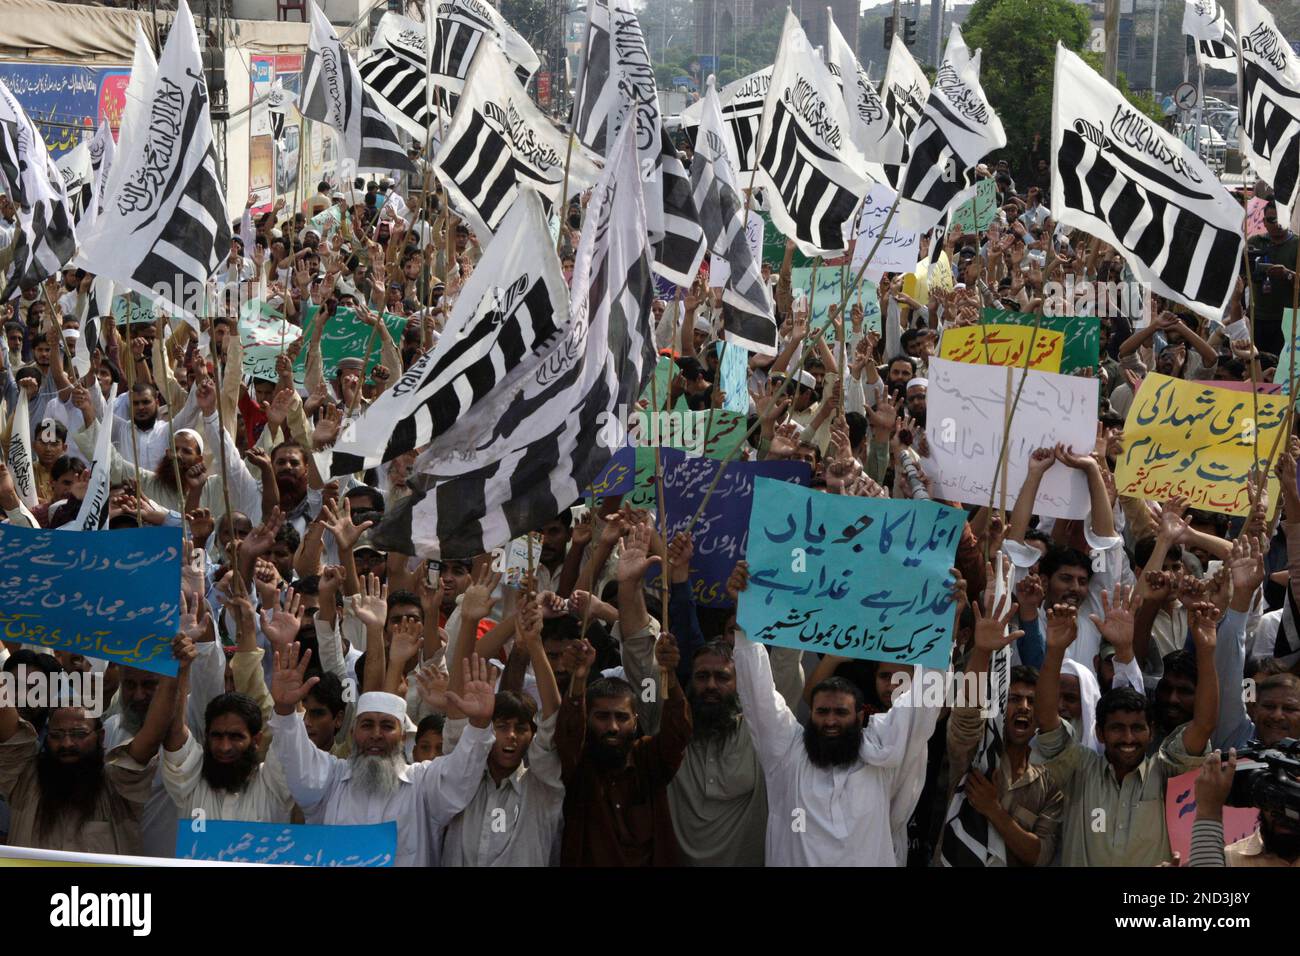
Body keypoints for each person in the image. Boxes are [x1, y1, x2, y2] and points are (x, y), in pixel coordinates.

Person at [268, 642, 498, 866]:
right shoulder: (330, 780)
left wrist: (479, 725)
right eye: (367, 725)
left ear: (402, 736)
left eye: (387, 726)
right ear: (353, 732)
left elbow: (462, 774)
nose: (376, 734)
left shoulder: (423, 786)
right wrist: (285, 711)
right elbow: (293, 753)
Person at [1035, 590, 1217, 866]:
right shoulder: (1079, 771)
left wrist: (1205, 653)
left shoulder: (1167, 773)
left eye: (1137, 728)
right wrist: (1055, 651)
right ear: (1100, 733)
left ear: (1151, 731)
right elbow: (1047, 719)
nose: (1128, 737)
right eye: (1118, 728)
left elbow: (1203, 726)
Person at [0, 637, 193, 854]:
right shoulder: (25, 780)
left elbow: (151, 735)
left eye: (78, 733)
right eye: (57, 734)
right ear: (45, 738)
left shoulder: (119, 786)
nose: (67, 743)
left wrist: (173, 670)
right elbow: (4, 714)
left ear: (101, 737)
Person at [439, 592, 564, 866]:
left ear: (532, 736)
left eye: (521, 729)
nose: (510, 736)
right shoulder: (461, 777)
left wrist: (535, 645)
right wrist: (471, 621)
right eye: (502, 727)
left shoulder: (543, 787)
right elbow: (457, 707)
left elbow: (553, 716)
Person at [555, 628, 690, 866]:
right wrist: (578, 680)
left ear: (635, 720)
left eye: (621, 717)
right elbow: (568, 732)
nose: (613, 727)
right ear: (588, 718)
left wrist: (668, 673)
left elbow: (678, 732)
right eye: (602, 717)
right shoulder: (580, 765)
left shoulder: (649, 759)